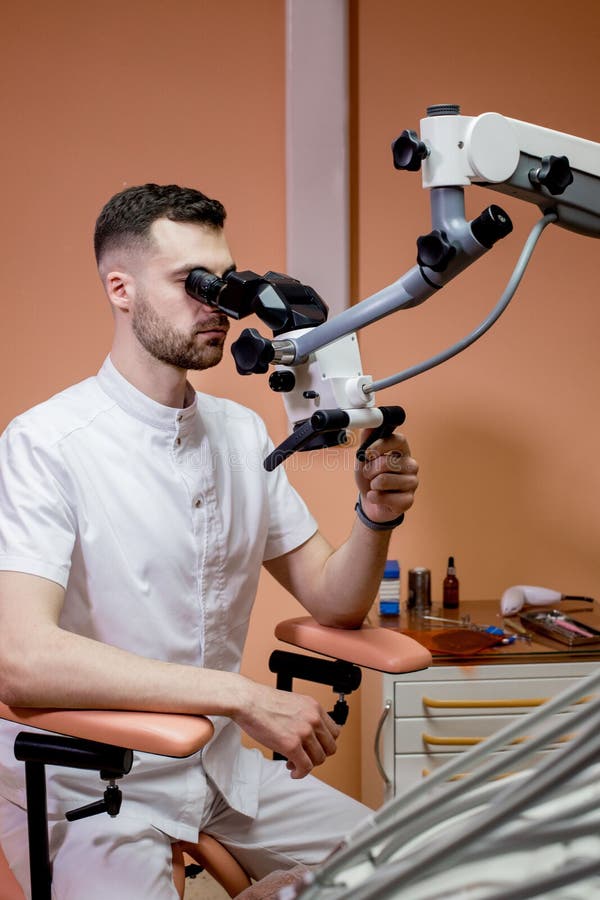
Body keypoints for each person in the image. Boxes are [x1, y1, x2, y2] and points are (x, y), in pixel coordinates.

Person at [0, 184, 419, 899]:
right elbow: (21, 660)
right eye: (191, 283)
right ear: (121, 289)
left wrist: (374, 515)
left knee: (420, 866)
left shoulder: (239, 433)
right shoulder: (45, 444)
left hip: (219, 770)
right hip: (92, 779)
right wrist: (240, 697)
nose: (218, 305)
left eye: (223, 281)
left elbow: (334, 599)